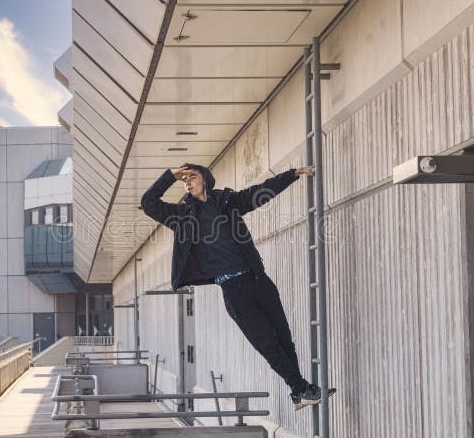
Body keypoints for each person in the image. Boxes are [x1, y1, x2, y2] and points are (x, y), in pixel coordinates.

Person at [140, 162, 335, 410]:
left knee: (284, 338)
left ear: (205, 179)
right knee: (267, 343)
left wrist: (293, 174)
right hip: (233, 289)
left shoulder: (228, 202)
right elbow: (148, 203)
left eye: (192, 176)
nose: (187, 182)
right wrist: (170, 175)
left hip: (258, 278)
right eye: (184, 180)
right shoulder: (181, 216)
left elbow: (260, 192)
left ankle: (300, 392)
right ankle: (300, 388)